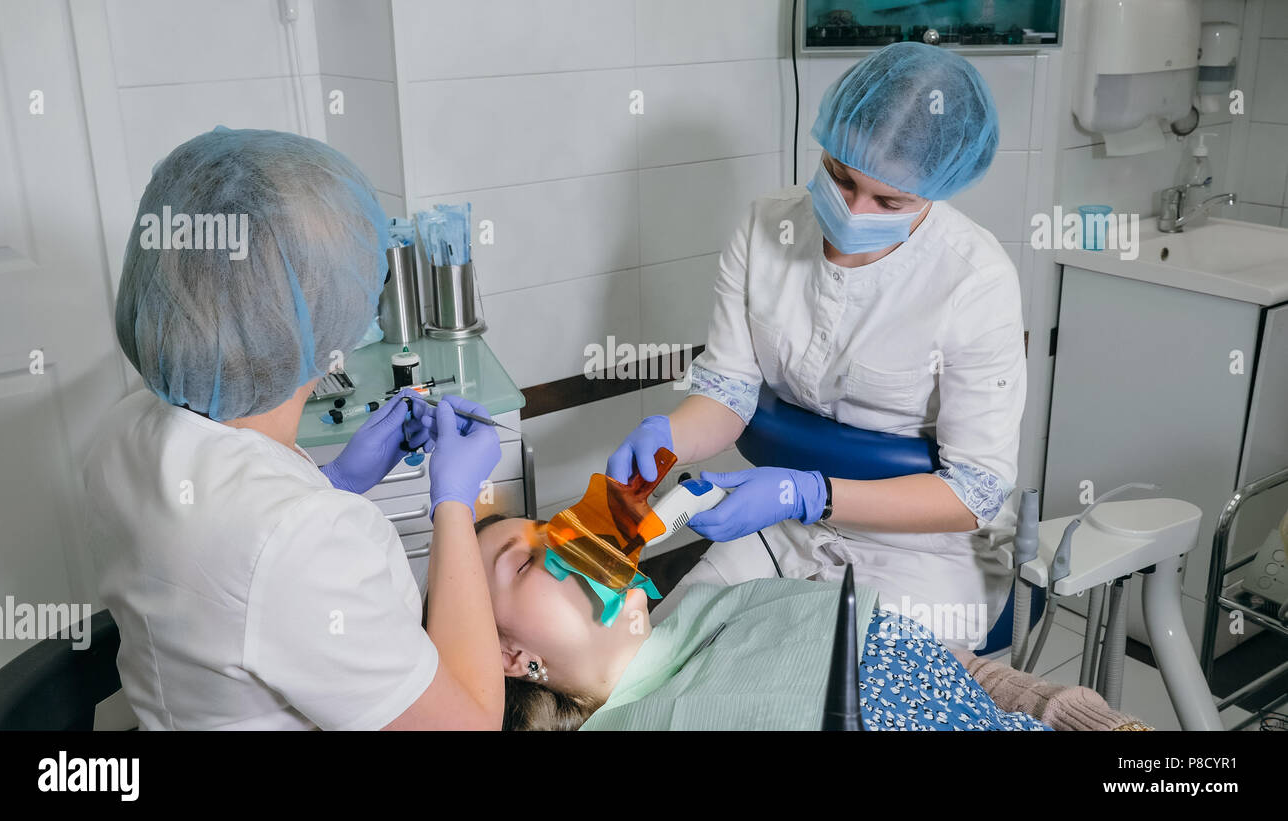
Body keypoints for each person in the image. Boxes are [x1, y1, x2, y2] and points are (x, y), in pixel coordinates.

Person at [606, 42, 1024, 650]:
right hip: (781, 526)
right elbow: (728, 391)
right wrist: (669, 438)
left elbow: (973, 492)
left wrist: (810, 492)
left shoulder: (975, 281)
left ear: (935, 190)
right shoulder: (765, 228)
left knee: (830, 699)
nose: (853, 212)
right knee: (659, 657)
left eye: (890, 202)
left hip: (923, 556)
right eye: (840, 177)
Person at [83, 127, 503, 730]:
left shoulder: (124, 429)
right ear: (318, 308)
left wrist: (334, 479)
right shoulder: (302, 540)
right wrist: (455, 505)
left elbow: (227, 570)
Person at [473, 515, 1052, 731]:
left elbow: (962, 679)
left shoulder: (732, 607)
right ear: (510, 656)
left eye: (558, 530)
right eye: (527, 562)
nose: (574, 545)